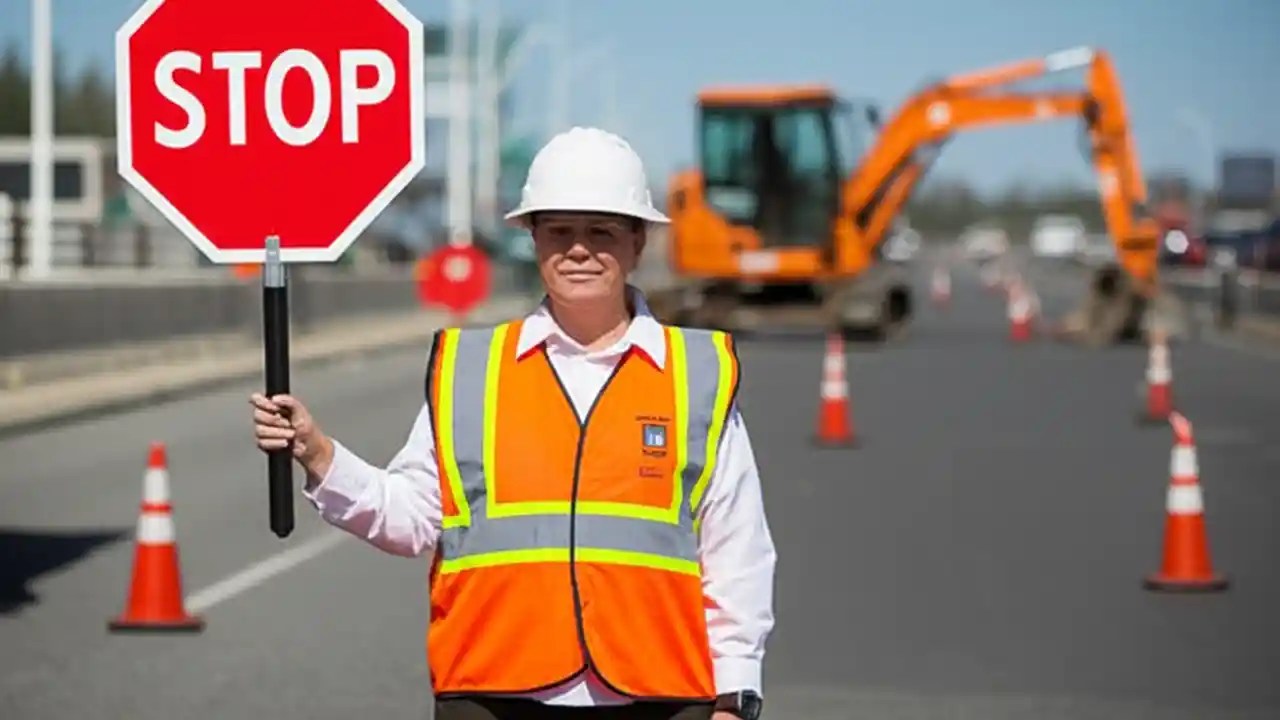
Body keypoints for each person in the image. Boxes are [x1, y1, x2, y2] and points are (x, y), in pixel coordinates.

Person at [250, 127, 776, 720]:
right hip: (494, 694)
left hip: (657, 696)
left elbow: (737, 550)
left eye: (601, 231)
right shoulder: (470, 372)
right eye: (559, 232)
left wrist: (734, 696)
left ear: (637, 243)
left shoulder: (694, 376)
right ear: (532, 239)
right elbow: (413, 519)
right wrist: (318, 453)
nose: (579, 249)